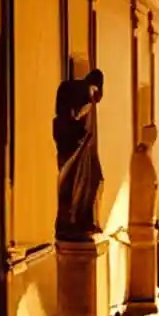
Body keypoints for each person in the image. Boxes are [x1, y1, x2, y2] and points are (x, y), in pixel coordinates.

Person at [53, 68, 105, 240]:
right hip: (72, 146)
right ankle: (72, 221)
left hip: (77, 145)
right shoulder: (76, 92)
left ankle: (81, 219)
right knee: (72, 182)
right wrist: (79, 134)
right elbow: (69, 120)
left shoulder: (82, 94)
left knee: (89, 180)